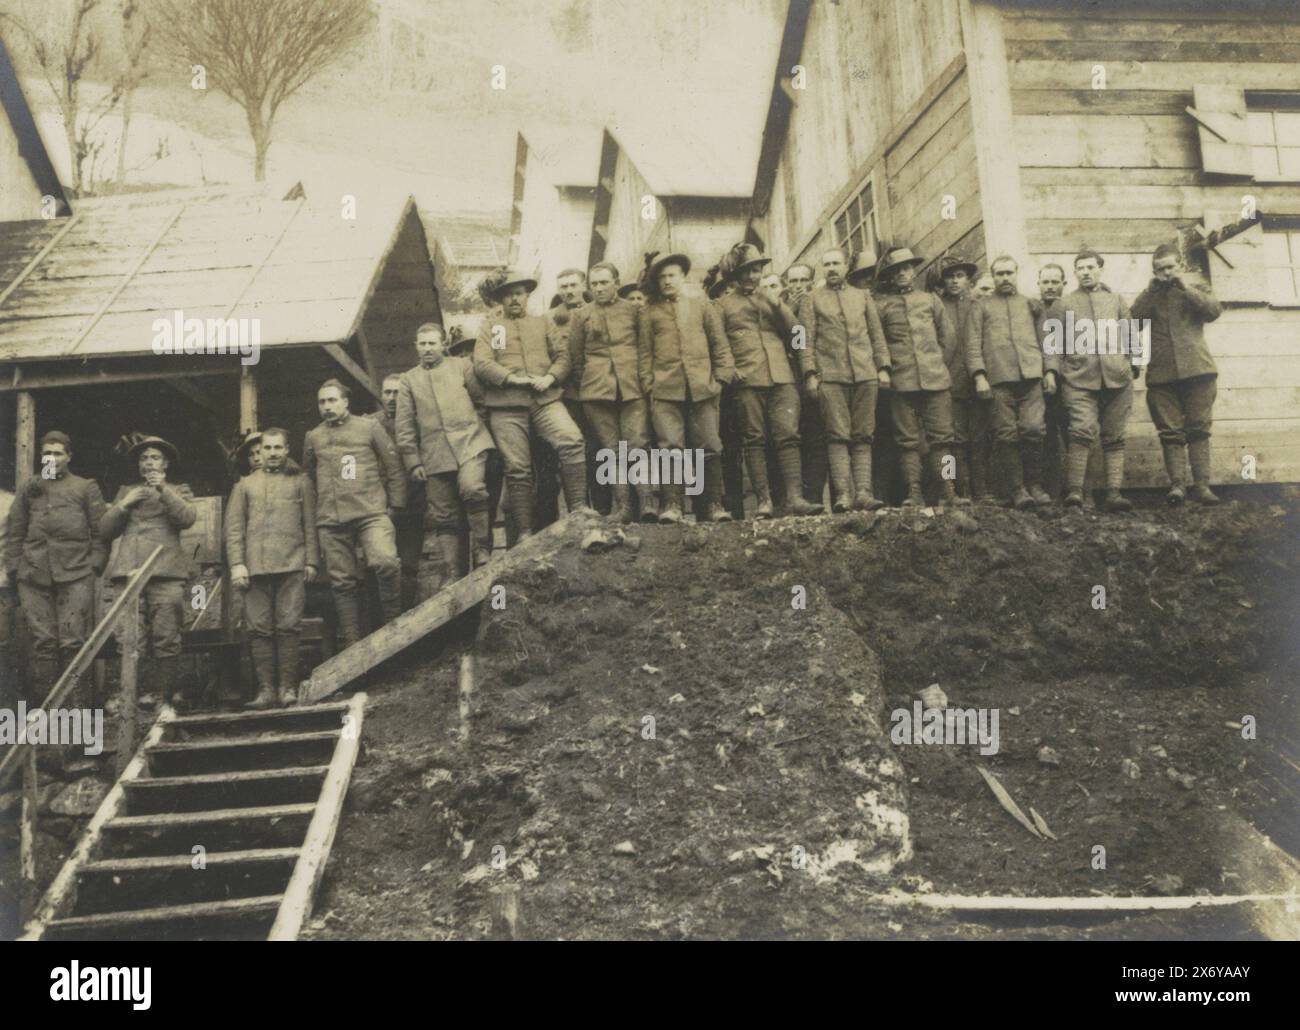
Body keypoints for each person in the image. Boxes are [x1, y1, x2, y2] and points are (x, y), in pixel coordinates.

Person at [473, 269, 588, 540]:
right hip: (507, 404)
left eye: (520, 293)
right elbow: (483, 363)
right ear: (501, 299)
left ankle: (579, 512)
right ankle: (525, 532)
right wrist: (511, 379)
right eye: (509, 295)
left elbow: (563, 356)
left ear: (527, 296)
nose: (515, 299)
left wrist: (550, 377)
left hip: (544, 399)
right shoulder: (494, 328)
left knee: (572, 440)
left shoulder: (543, 323)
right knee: (517, 466)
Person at [716, 243, 822, 518]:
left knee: (788, 435)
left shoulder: (772, 301)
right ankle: (764, 501)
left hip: (782, 377)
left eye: (756, 270)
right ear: (735, 276)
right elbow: (718, 343)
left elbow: (798, 334)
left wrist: (778, 305)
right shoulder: (723, 306)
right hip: (747, 379)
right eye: (746, 271)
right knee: (754, 439)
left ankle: (795, 498)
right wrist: (730, 368)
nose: (752, 276)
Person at [303, 379, 407, 647]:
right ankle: (353, 643)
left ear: (345, 402)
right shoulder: (313, 437)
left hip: (370, 512)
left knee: (385, 562)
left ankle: (392, 628)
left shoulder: (369, 427)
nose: (327, 406)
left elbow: (393, 466)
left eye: (332, 400)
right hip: (332, 519)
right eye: (322, 402)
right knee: (342, 583)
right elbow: (310, 475)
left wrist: (394, 506)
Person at [5, 431, 106, 703]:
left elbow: (101, 532)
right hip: (33, 575)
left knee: (73, 641)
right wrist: (15, 568)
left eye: (57, 453)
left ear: (69, 457)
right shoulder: (30, 488)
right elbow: (14, 531)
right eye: (47, 453)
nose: (51, 458)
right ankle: (49, 711)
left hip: (76, 573)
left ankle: (77, 708)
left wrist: (94, 565)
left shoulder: (85, 487)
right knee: (43, 643)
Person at [637, 252, 738, 523]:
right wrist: (650, 386)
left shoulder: (702, 306)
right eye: (662, 277)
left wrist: (721, 380)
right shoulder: (649, 313)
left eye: (672, 275)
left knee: (709, 446)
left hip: (703, 387)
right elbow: (645, 355)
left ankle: (714, 506)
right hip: (665, 391)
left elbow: (719, 345)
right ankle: (673, 506)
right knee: (671, 448)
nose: (667, 281)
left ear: (683, 277)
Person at [396, 323, 496, 592]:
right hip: (434, 453)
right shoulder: (409, 380)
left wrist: (476, 430)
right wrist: (413, 461)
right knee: (443, 514)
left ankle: (483, 549)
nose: (427, 349)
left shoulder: (462, 366)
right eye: (422, 344)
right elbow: (404, 425)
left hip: (470, 443)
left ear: (443, 345)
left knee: (472, 488)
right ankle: (453, 571)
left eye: (432, 343)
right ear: (416, 347)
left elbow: (481, 402)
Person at [101, 435, 197, 706]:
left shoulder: (180, 489)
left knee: (166, 633)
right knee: (130, 636)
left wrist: (164, 490)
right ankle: (132, 693)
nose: (149, 463)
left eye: (155, 457)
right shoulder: (126, 491)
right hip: (129, 572)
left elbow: (187, 519)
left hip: (166, 571)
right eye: (144, 458)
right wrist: (123, 504)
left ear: (165, 463)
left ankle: (164, 695)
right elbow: (105, 530)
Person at [226, 427, 318, 709]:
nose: (273, 453)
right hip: (254, 568)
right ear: (260, 452)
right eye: (268, 448)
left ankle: (287, 689)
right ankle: (266, 690)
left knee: (289, 626)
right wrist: (238, 564)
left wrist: (312, 560)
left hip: (292, 565)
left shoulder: (301, 482)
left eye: (278, 448)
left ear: (287, 449)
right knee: (259, 628)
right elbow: (233, 529)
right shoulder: (245, 486)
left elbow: (310, 524)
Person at [797, 247, 890, 511]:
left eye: (836, 263)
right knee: (837, 436)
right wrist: (810, 373)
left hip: (865, 374)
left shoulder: (862, 297)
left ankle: (863, 492)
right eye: (826, 264)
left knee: (863, 435)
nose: (832, 269)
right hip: (831, 376)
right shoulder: (811, 299)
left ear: (846, 267)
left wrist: (882, 366)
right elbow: (804, 340)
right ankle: (843, 496)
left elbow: (876, 335)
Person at [1130, 242, 1223, 505]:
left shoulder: (1197, 288)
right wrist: (1151, 290)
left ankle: (1202, 486)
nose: (1167, 273)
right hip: (1163, 376)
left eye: (1171, 267)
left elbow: (1213, 311)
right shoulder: (1150, 295)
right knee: (1170, 432)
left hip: (1198, 371)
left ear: (1180, 266)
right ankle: (1177, 487)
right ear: (1155, 271)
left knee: (1199, 429)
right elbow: (1132, 322)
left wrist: (1184, 287)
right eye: (1161, 269)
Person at [872, 247, 965, 508]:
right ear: (890, 276)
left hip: (935, 379)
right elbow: (878, 342)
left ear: (914, 271)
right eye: (896, 271)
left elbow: (948, 338)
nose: (902, 273)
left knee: (943, 438)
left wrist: (935, 364)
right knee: (908, 439)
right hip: (901, 382)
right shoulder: (882, 306)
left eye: (906, 268)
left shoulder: (930, 300)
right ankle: (914, 492)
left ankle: (949, 491)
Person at [967, 255, 1056, 508]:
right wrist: (979, 375)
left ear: (1016, 274)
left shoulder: (1031, 305)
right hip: (998, 379)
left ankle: (1035, 485)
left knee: (1033, 429)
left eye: (1009, 273)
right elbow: (972, 344)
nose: (1004, 278)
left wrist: (1050, 371)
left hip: (1031, 377)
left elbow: (1047, 342)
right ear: (993, 277)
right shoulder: (981, 307)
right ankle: (1017, 490)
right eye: (999, 274)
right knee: (1006, 434)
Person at [1054, 249, 1138, 511]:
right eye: (1081, 268)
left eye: (1091, 267)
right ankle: (1076, 493)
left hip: (1116, 378)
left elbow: (1131, 332)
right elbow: (1053, 345)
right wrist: (1055, 373)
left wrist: (1133, 363)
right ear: (1075, 273)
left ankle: (1113, 493)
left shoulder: (1115, 300)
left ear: (1100, 269)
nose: (1086, 272)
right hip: (1079, 379)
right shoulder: (1064, 304)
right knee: (1081, 431)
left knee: (1114, 436)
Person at [570, 262, 654, 523]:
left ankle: (648, 504)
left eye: (604, 282)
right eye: (594, 284)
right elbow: (577, 358)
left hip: (632, 387)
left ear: (616, 283)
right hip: (597, 392)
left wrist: (642, 382)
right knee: (611, 450)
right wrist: (591, 382)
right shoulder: (581, 315)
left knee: (637, 444)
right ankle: (624, 508)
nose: (599, 288)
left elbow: (644, 349)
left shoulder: (633, 311)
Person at [935, 255, 990, 502]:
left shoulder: (979, 304)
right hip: (947, 380)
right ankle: (957, 489)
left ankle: (981, 489)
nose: (955, 281)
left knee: (978, 438)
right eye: (949, 276)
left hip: (977, 379)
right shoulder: (936, 305)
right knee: (952, 439)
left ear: (968, 279)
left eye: (959, 276)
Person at [374, 373, 423, 610]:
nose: (392, 398)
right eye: (387, 392)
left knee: (409, 566)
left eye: (397, 392)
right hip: (381, 509)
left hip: (412, 506)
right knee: (380, 567)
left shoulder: (418, 423)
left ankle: (405, 620)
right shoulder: (370, 425)